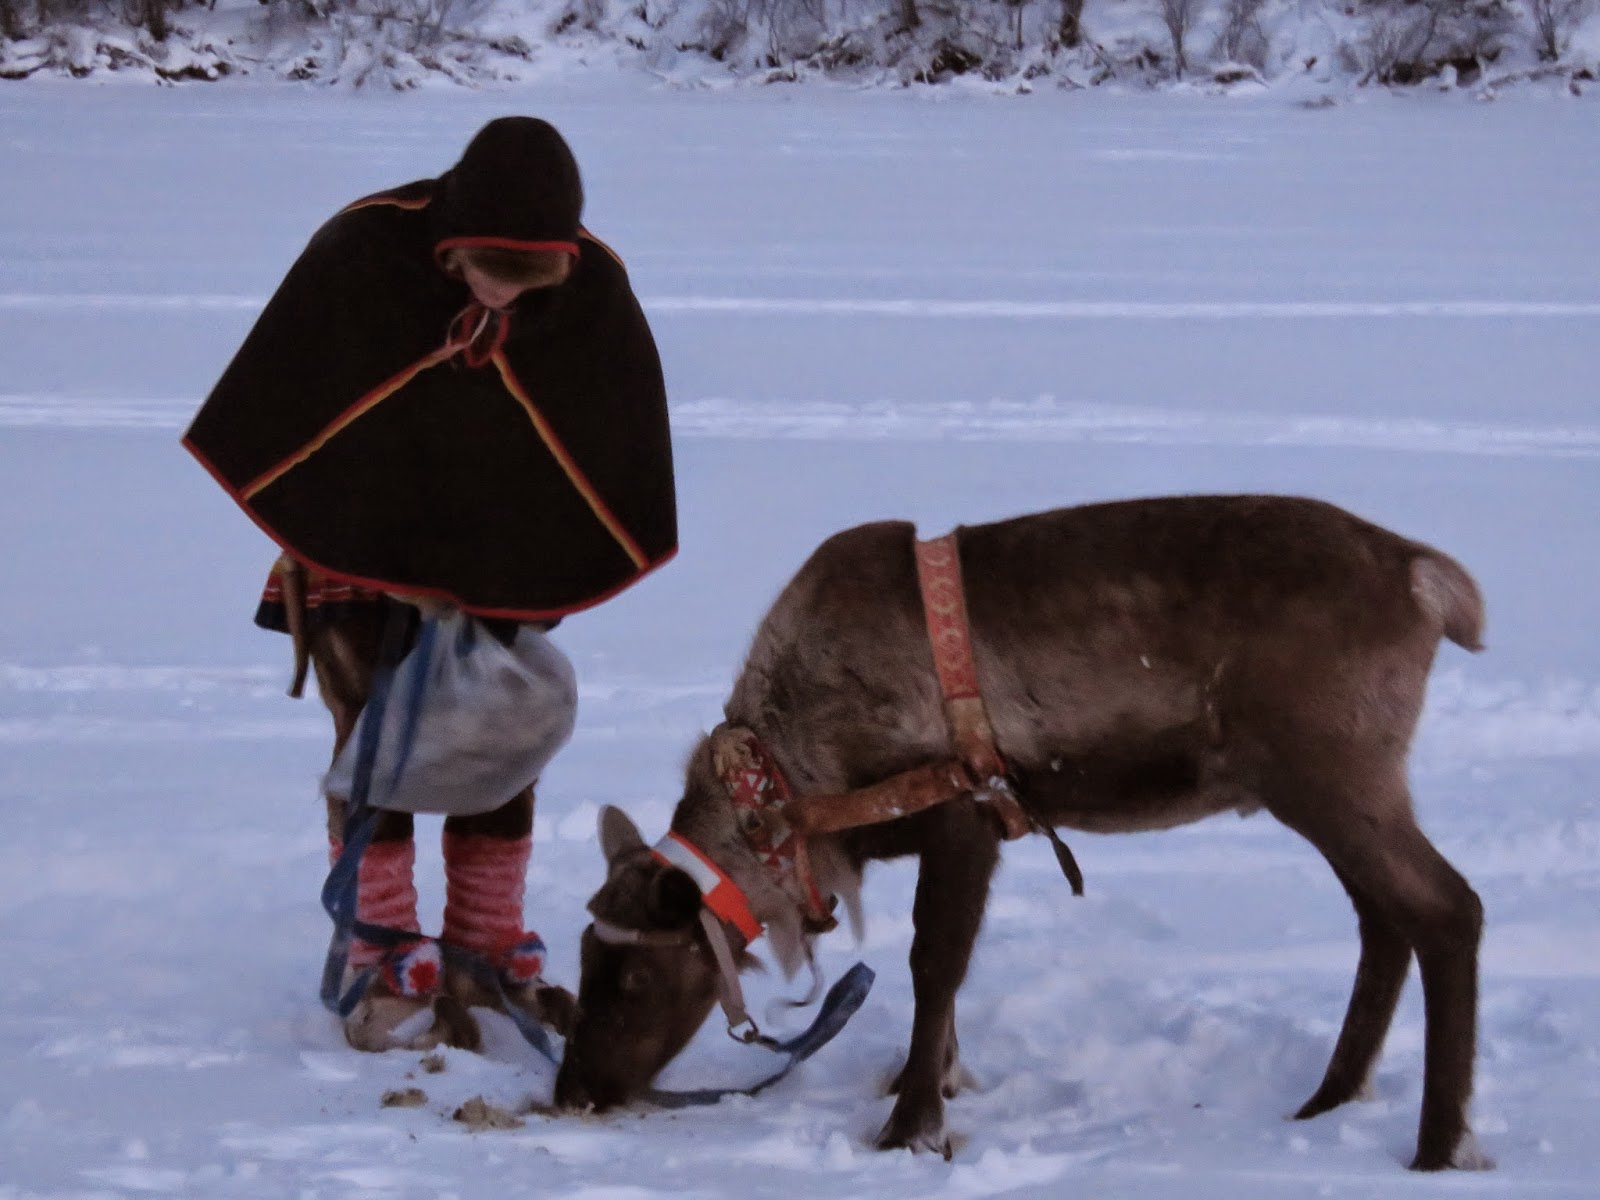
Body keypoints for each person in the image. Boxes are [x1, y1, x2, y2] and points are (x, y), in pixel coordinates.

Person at [183, 117, 677, 1052]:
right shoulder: (366, 248)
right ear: (453, 242)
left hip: (497, 564)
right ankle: (380, 944)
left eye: (526, 279)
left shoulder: (592, 295)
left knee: (498, 733)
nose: (501, 290)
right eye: (487, 267)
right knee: (378, 738)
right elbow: (291, 401)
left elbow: (605, 447)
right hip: (350, 554)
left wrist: (536, 570)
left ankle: (484, 943)